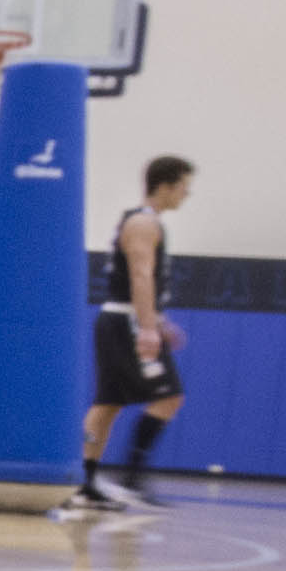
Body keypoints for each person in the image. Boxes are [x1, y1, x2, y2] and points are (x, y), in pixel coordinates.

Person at [72, 155, 194, 511]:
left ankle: (83, 479)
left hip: (124, 319)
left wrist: (158, 321)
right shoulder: (143, 223)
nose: (187, 194)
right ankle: (132, 478)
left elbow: (137, 280)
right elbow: (140, 276)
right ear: (166, 185)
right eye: (184, 186)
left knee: (108, 403)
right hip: (126, 322)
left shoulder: (145, 222)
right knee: (169, 395)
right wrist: (147, 328)